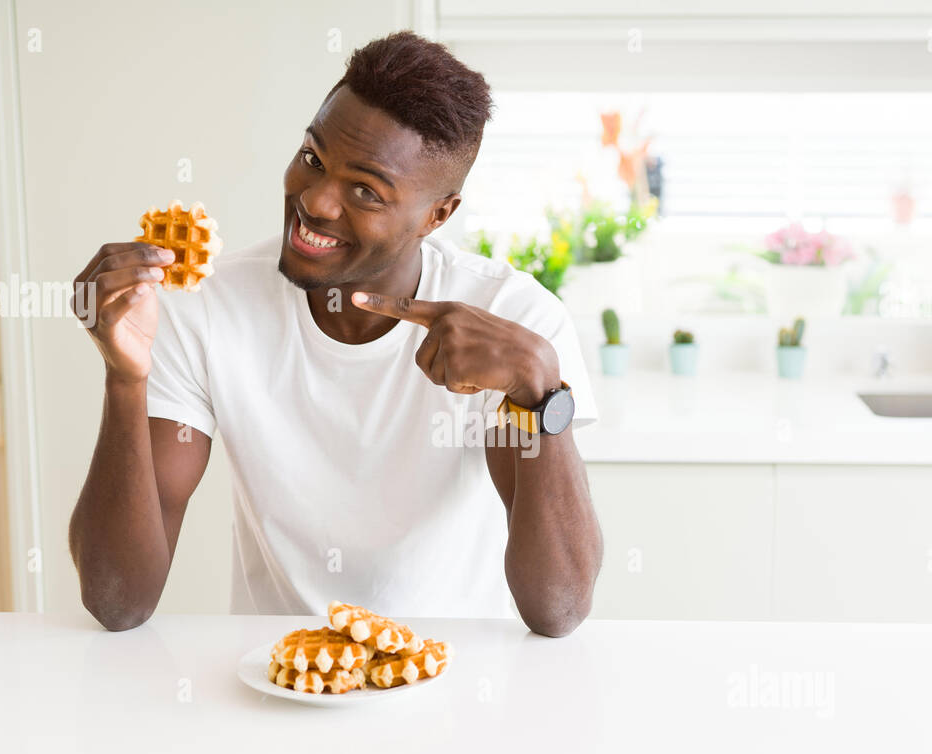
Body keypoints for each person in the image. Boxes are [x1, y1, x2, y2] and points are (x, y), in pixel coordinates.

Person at [68, 31, 601, 636]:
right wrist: (124, 378)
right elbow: (117, 602)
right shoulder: (206, 307)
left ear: (438, 215)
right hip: (278, 678)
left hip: (456, 684)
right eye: (313, 158)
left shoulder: (512, 320)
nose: (315, 201)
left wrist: (538, 389)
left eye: (365, 190)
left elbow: (557, 610)